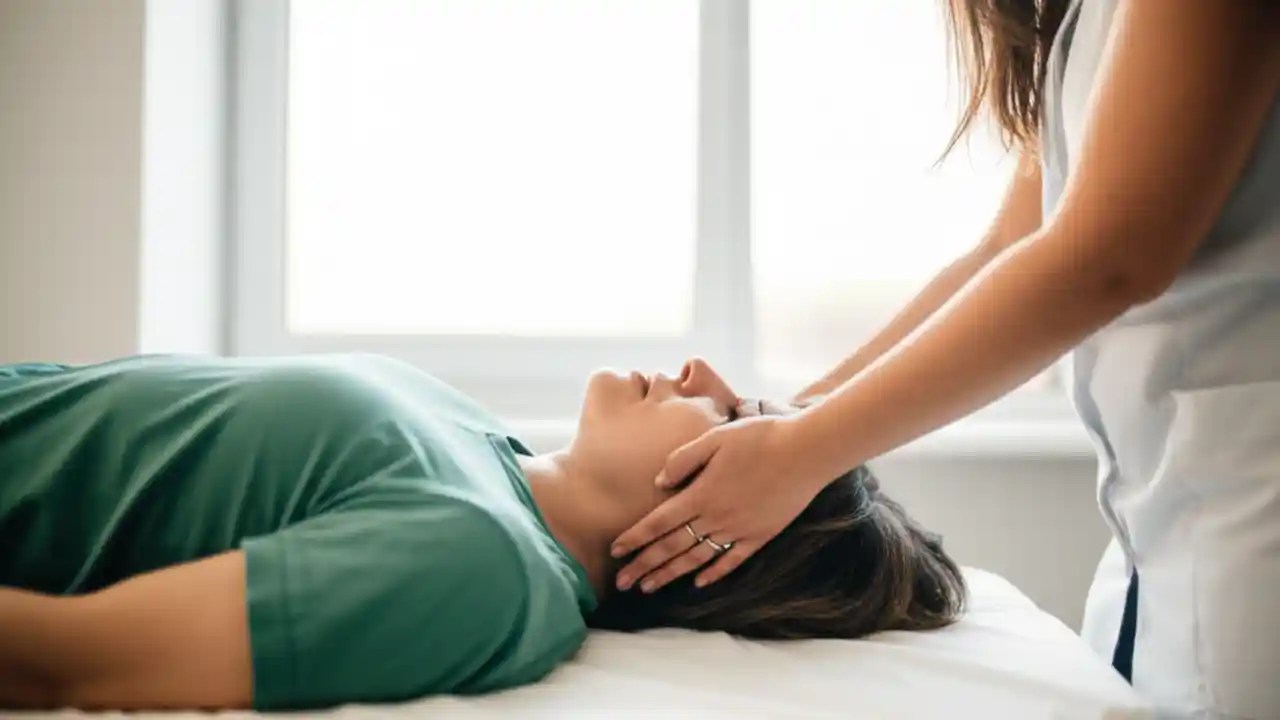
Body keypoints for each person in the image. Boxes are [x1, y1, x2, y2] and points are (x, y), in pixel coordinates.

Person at [610, 3, 1280, 717]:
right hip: (1165, 544)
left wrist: (805, 447)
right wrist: (798, 418)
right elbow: (1010, 249)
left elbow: (1108, 258)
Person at [0, 354, 963, 711]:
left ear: (713, 530)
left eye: (734, 417)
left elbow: (71, 666)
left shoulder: (481, 566)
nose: (700, 370)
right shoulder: (480, 441)